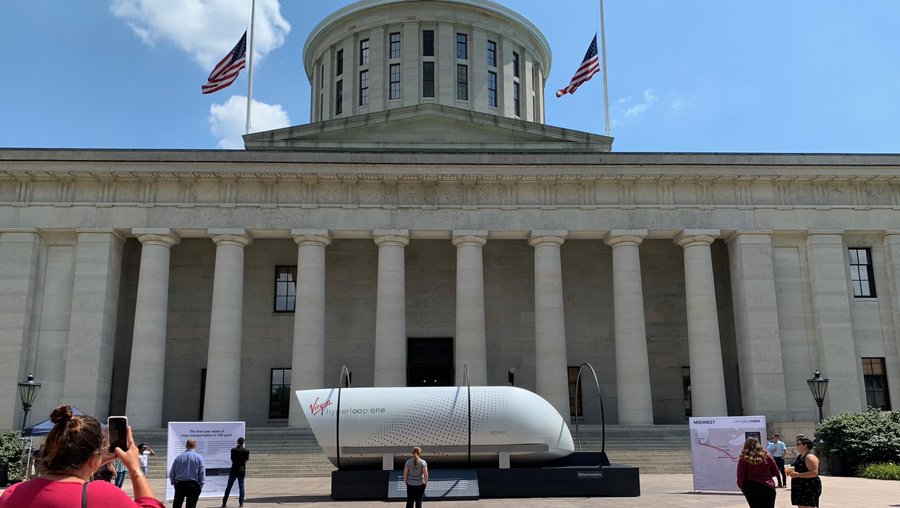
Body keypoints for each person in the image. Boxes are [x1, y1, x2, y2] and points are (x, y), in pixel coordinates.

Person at [0, 404, 163, 508]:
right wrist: (135, 469)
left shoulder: (12, 493)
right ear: (93, 458)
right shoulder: (102, 496)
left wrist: (94, 461)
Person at [736, 437, 780, 508]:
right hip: (768, 487)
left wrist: (742, 487)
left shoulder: (744, 459)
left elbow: (740, 476)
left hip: (751, 488)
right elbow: (776, 472)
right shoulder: (767, 456)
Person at [169, 439, 205, 508]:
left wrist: (174, 483)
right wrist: (201, 484)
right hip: (193, 485)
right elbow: (201, 472)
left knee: (177, 505)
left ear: (186, 446)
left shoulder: (178, 458)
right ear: (195, 446)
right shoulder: (199, 458)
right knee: (191, 505)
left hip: (180, 484)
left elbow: (172, 472)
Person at [789, 437, 822, 508]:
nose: (797, 446)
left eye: (798, 444)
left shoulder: (809, 457)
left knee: (808, 506)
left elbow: (814, 473)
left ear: (805, 445)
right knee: (801, 505)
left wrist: (798, 475)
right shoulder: (800, 456)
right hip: (800, 486)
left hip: (809, 486)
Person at [222, 437, 250, 508]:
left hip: (234, 470)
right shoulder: (246, 451)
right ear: (243, 443)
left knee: (229, 486)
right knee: (241, 486)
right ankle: (241, 503)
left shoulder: (233, 450)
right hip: (242, 470)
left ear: (237, 442)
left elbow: (232, 459)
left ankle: (224, 502)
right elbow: (246, 460)